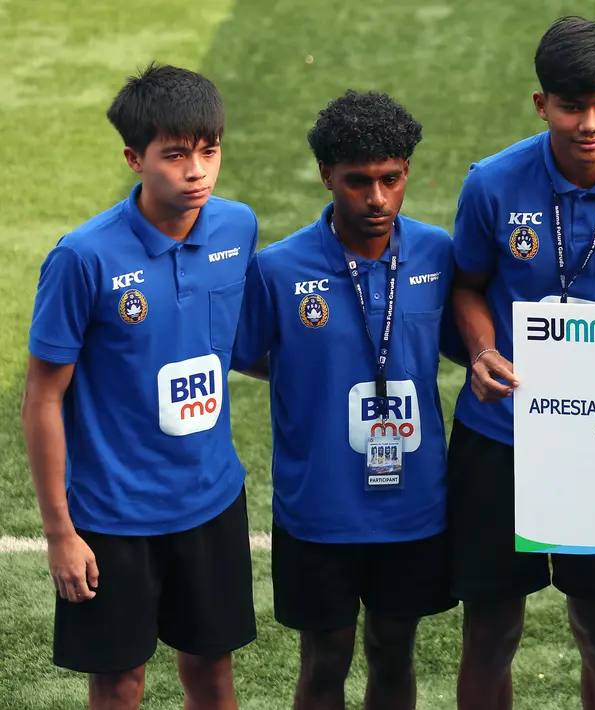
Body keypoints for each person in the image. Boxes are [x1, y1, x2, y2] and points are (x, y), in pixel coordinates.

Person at [447, 15, 595, 710]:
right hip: (500, 435)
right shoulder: (492, 184)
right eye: (571, 106)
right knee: (491, 629)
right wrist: (483, 349)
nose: (589, 123)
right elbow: (467, 287)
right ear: (541, 105)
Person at [21, 63, 257, 710]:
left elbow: (234, 341)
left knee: (212, 672)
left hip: (210, 500)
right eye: (174, 155)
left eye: (208, 151)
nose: (196, 171)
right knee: (120, 682)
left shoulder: (236, 229)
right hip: (112, 515)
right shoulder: (83, 258)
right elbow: (42, 396)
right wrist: (59, 533)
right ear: (134, 158)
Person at [231, 90, 458, 709]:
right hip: (319, 506)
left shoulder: (437, 253)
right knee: (325, 660)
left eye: (391, 179)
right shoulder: (278, 269)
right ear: (326, 175)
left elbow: (465, 338)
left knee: (393, 651)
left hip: (413, 502)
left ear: (407, 171)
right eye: (358, 182)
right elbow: (244, 348)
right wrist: (309, 367)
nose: (378, 198)